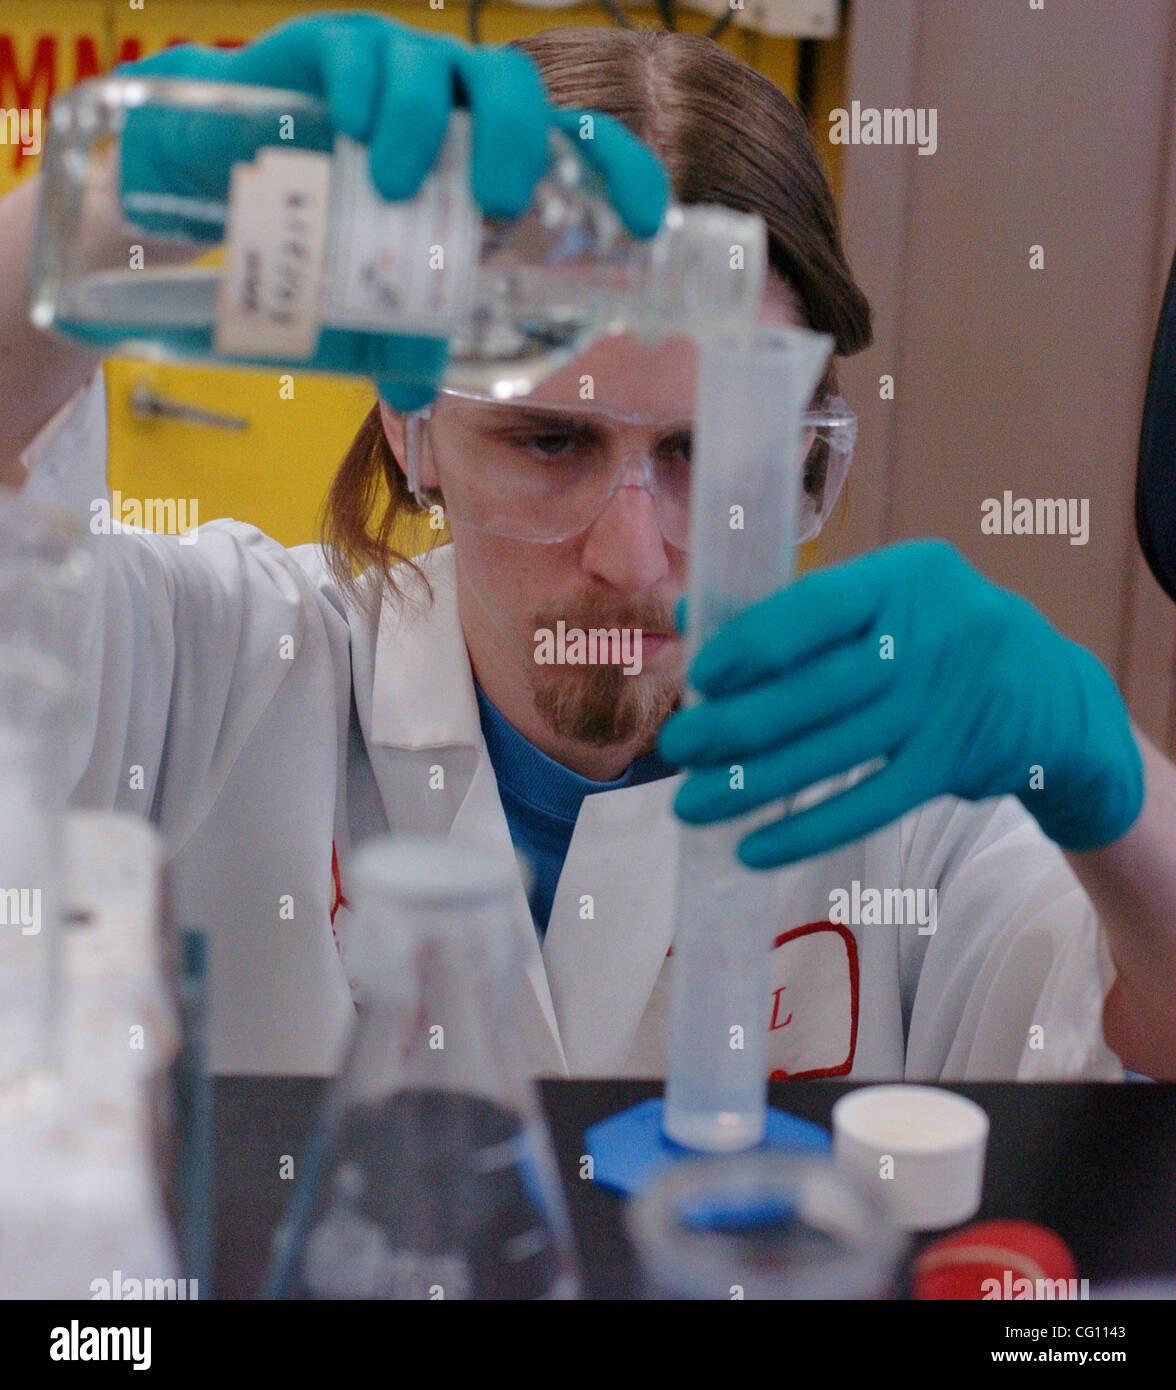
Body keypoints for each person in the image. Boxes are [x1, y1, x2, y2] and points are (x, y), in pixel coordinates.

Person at [3, 14, 1170, 1081]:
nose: (631, 553)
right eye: (549, 438)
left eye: (704, 454)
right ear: (418, 428)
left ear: (805, 458)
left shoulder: (912, 788)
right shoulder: (230, 667)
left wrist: (1114, 794)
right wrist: (103, 202)